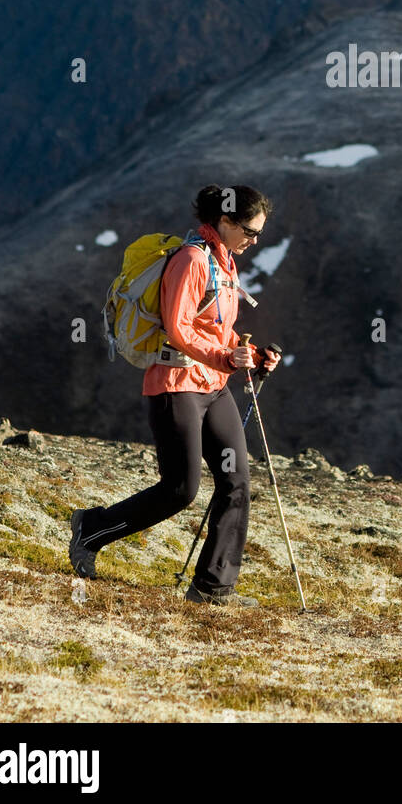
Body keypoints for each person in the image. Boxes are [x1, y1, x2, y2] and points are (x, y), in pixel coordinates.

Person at [69, 184, 281, 606]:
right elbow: (179, 328)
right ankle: (92, 530)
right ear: (224, 221)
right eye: (249, 231)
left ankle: (212, 589)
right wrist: (226, 357)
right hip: (175, 385)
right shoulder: (191, 260)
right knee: (180, 490)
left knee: (236, 482)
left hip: (213, 386)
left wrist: (251, 354)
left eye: (258, 234)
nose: (254, 241)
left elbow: (214, 329)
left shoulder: (225, 263)